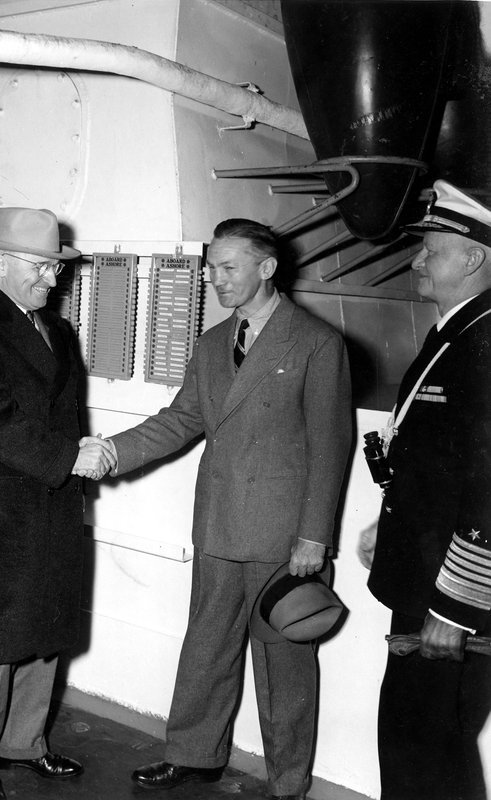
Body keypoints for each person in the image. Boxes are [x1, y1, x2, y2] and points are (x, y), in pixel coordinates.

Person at [82, 219, 352, 799]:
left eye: (228, 267)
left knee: (284, 662)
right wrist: (111, 452)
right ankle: (194, 755)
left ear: (267, 268)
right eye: (211, 267)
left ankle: (287, 782)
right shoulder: (210, 344)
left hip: (283, 538)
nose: (215, 278)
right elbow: (181, 420)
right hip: (219, 523)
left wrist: (314, 537)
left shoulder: (315, 342)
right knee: (205, 645)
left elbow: (332, 446)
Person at [0, 207, 115, 800]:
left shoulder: (57, 330)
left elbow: (65, 415)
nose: (52, 279)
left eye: (56, 268)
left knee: (43, 630)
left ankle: (24, 743)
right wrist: (70, 459)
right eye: (41, 267)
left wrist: (72, 465)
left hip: (51, 501)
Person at [358, 180, 491, 800]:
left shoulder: (484, 342)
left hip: (447, 595)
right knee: (421, 744)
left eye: (430, 250)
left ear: (472, 259)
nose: (415, 260)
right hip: (425, 571)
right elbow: (439, 462)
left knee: (428, 748)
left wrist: (456, 608)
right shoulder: (457, 332)